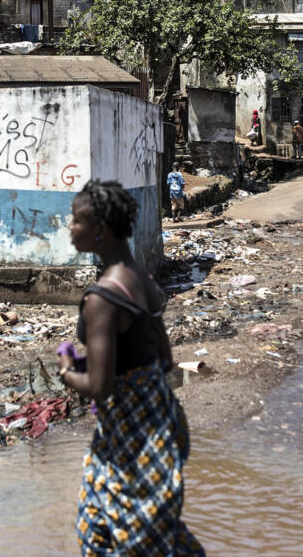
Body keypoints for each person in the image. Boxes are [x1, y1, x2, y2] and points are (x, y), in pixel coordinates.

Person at [57, 180, 204, 555]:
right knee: (125, 528)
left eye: (76, 220)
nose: (69, 226)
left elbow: (101, 387)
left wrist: (66, 370)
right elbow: (165, 360)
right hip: (161, 422)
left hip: (133, 438)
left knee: (128, 538)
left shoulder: (102, 298)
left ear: (100, 230)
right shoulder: (143, 279)